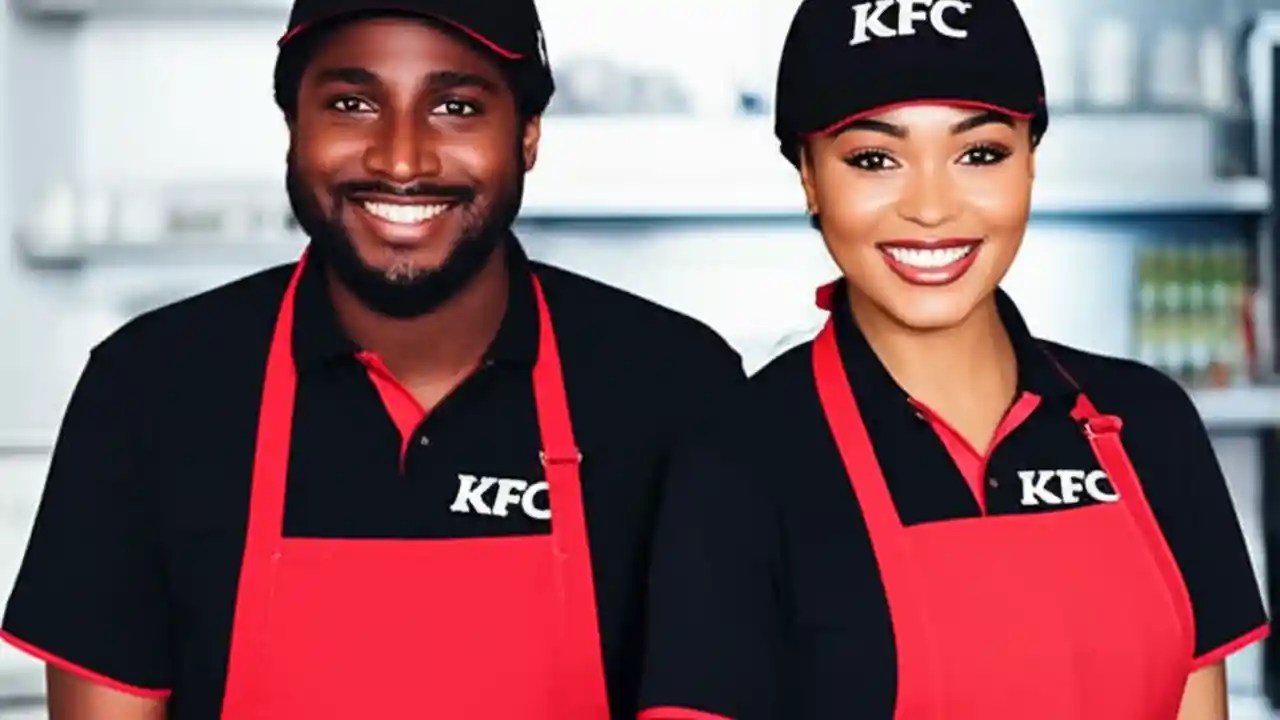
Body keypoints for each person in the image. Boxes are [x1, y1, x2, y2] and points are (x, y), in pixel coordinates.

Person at [0, 1, 745, 718]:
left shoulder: (674, 387)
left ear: (527, 136)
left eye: (456, 107)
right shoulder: (148, 389)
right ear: (293, 127)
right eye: (353, 104)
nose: (401, 158)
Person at [637, 0, 1269, 718]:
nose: (931, 208)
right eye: (875, 159)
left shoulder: (1148, 425)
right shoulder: (737, 462)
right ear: (809, 178)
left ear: (1031, 159)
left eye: (980, 153)